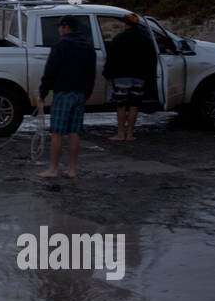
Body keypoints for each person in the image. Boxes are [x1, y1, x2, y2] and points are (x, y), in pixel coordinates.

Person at [37, 15, 96, 179]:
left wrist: (43, 92)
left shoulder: (61, 45)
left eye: (60, 27)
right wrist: (87, 92)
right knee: (74, 132)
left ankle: (53, 168)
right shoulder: (88, 46)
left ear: (65, 27)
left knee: (57, 131)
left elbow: (51, 70)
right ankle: (72, 169)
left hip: (63, 92)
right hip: (80, 93)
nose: (59, 29)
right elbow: (92, 73)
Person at [103, 13, 157, 142]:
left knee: (121, 105)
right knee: (134, 105)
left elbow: (111, 58)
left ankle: (120, 133)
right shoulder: (145, 39)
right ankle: (130, 133)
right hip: (139, 77)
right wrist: (148, 77)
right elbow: (151, 60)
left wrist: (108, 74)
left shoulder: (119, 39)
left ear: (125, 24)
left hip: (121, 77)